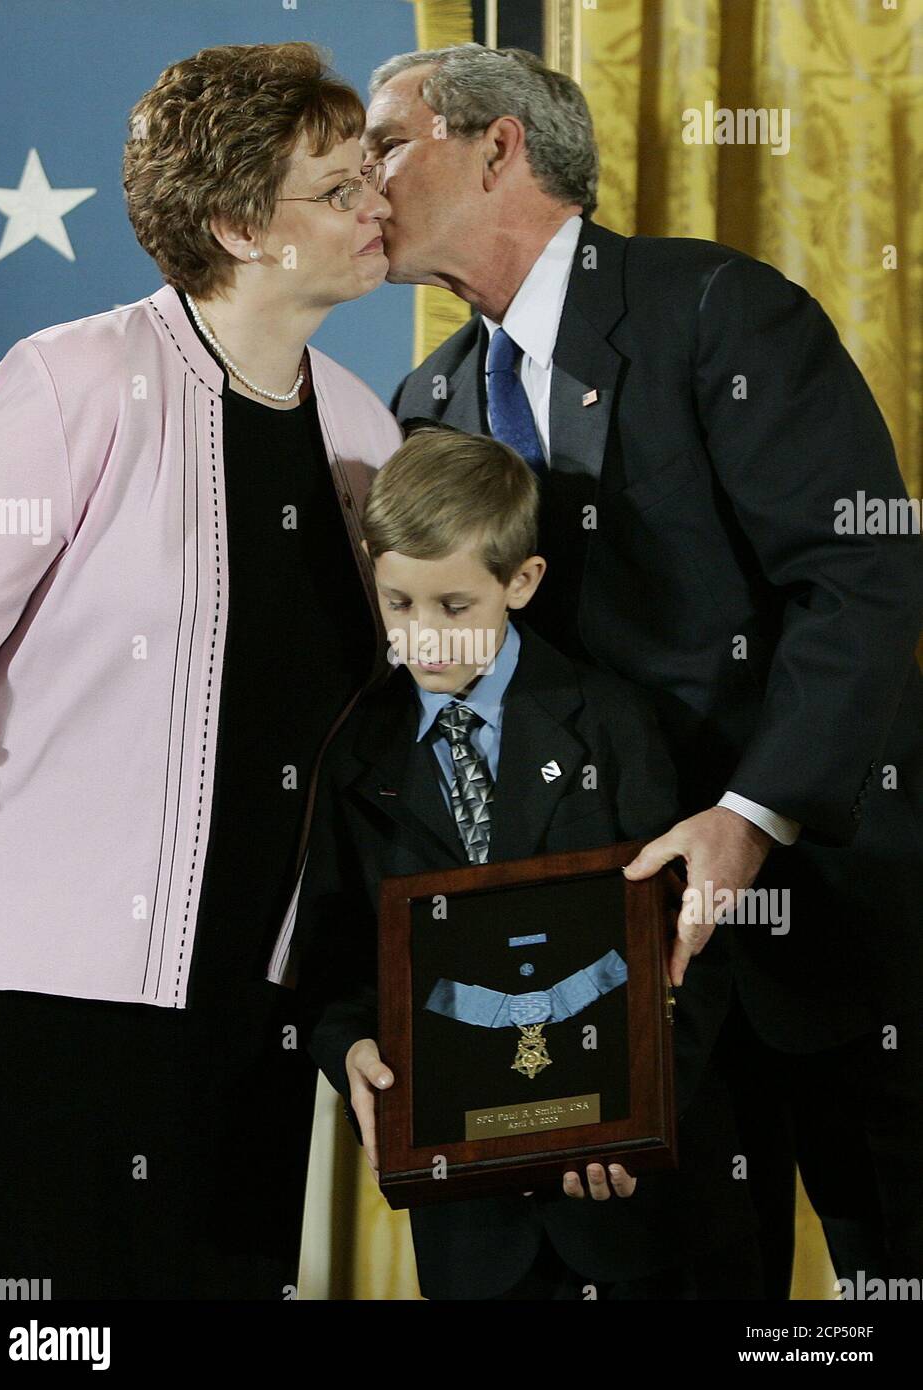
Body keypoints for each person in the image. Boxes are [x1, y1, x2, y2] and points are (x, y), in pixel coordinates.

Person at [362, 43, 923, 1295]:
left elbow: (863, 576)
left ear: (497, 144)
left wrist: (750, 815)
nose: (365, 177)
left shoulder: (718, 309)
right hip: (623, 982)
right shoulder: (431, 401)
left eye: (388, 142)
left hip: (827, 926)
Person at [0, 41, 400, 1299]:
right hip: (49, 1002)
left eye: (370, 173)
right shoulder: (76, 382)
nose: (378, 206)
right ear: (235, 224)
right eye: (338, 188)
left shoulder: (366, 430)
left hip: (253, 1008)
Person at [295, 428, 762, 1301]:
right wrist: (349, 1046)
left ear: (522, 581)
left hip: (639, 1218)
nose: (424, 640)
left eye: (454, 607)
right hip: (473, 1234)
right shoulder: (356, 752)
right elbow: (334, 958)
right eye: (398, 604)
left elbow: (695, 946)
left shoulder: (614, 722)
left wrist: (640, 1113)